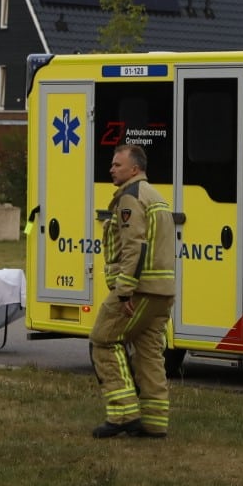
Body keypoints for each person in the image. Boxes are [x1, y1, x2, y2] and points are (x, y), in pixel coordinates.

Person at [89, 143, 177, 439]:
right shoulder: (156, 197)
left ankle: (123, 413)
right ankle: (155, 422)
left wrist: (124, 291)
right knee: (150, 353)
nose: (111, 169)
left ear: (134, 169)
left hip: (137, 290)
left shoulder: (130, 198)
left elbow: (134, 246)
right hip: (162, 290)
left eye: (117, 165)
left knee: (103, 339)